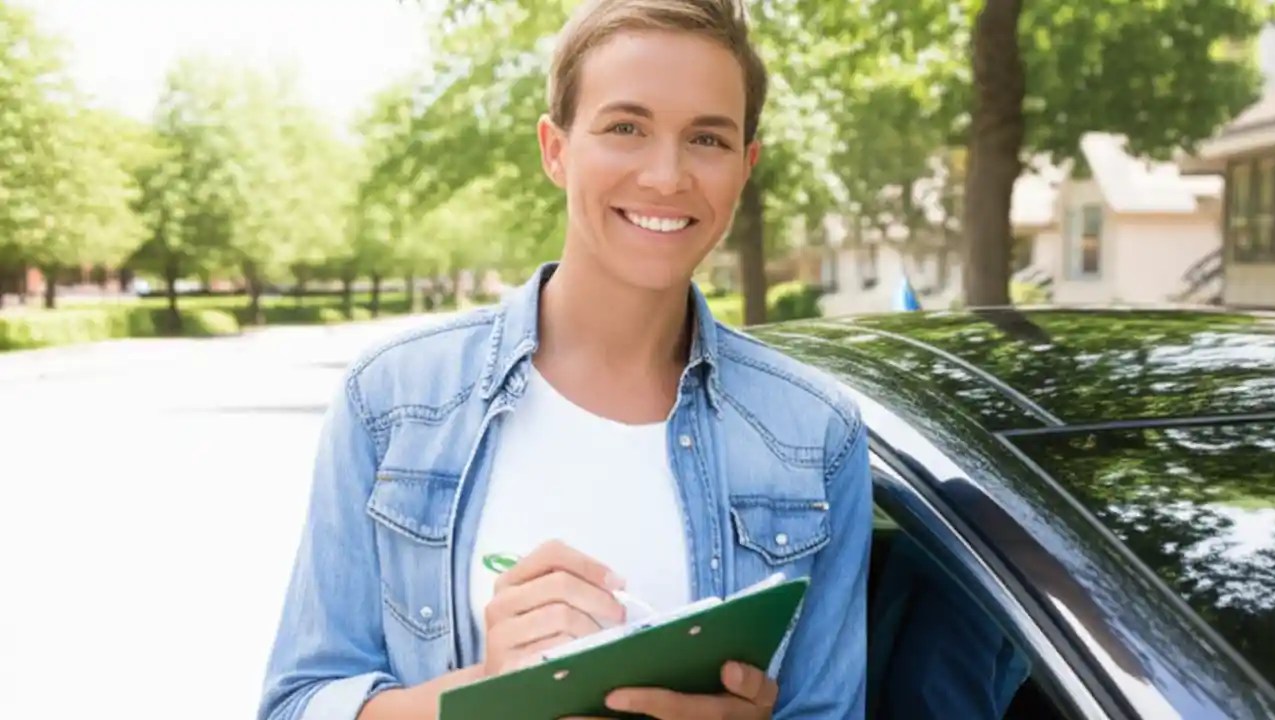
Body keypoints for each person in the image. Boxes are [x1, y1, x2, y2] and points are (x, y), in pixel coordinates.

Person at [257, 0, 872, 718]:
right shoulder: (394, 397)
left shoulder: (814, 431)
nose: (667, 176)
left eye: (707, 139)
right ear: (556, 148)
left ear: (745, 166)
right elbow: (299, 703)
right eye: (625, 128)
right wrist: (488, 691)